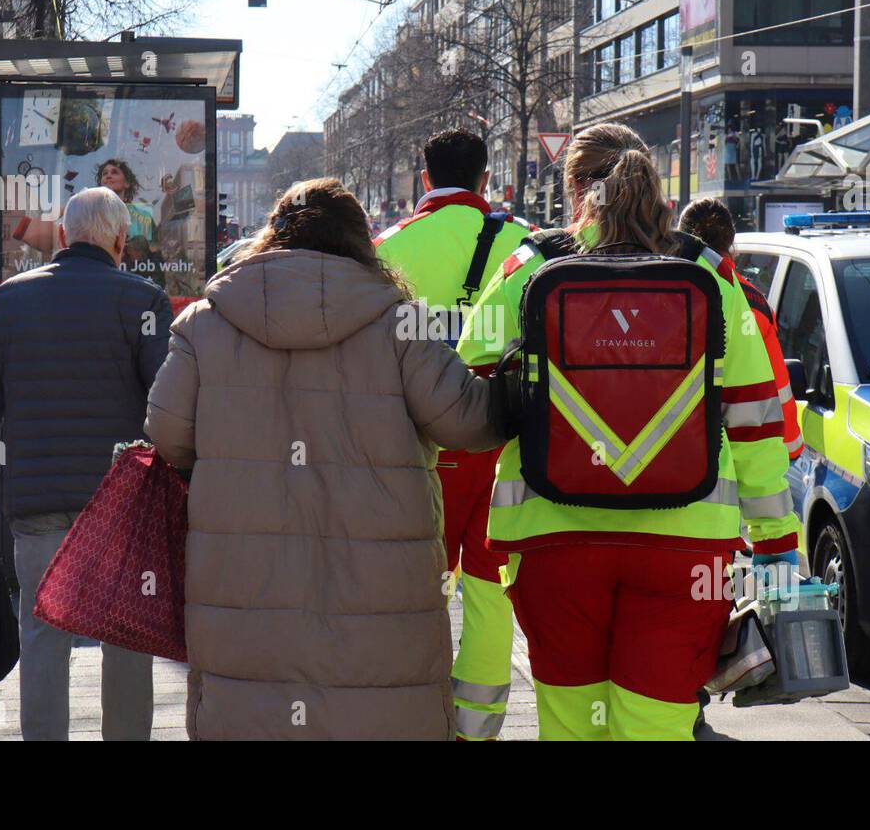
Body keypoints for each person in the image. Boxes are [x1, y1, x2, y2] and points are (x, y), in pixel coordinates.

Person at [457, 123, 801, 740]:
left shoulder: (528, 267)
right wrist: (776, 545)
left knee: (570, 724)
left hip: (554, 540)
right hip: (688, 548)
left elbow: (466, 391)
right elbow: (755, 419)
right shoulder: (712, 278)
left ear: (572, 189)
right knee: (655, 727)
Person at [144, 178, 505, 740]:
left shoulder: (207, 323)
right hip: (381, 583)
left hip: (245, 581)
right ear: (358, 238)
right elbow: (467, 421)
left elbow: (168, 433)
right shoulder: (401, 322)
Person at [0, 186, 174, 741]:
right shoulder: (142, 300)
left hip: (38, 503)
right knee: (125, 634)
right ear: (121, 239)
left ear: (64, 235)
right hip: (119, 508)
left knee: (43, 633)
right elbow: (165, 401)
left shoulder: (11, 298)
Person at [373, 128, 534, 740]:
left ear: (423, 180)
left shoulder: (385, 249)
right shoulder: (523, 245)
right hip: (500, 445)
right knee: (492, 587)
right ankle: (476, 729)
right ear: (486, 180)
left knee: (423, 585)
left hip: (417, 446)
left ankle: (416, 719)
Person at [676, 198, 803, 461]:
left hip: (675, 455)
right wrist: (791, 446)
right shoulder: (754, 304)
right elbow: (775, 386)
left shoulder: (666, 295)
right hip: (737, 458)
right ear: (731, 245)